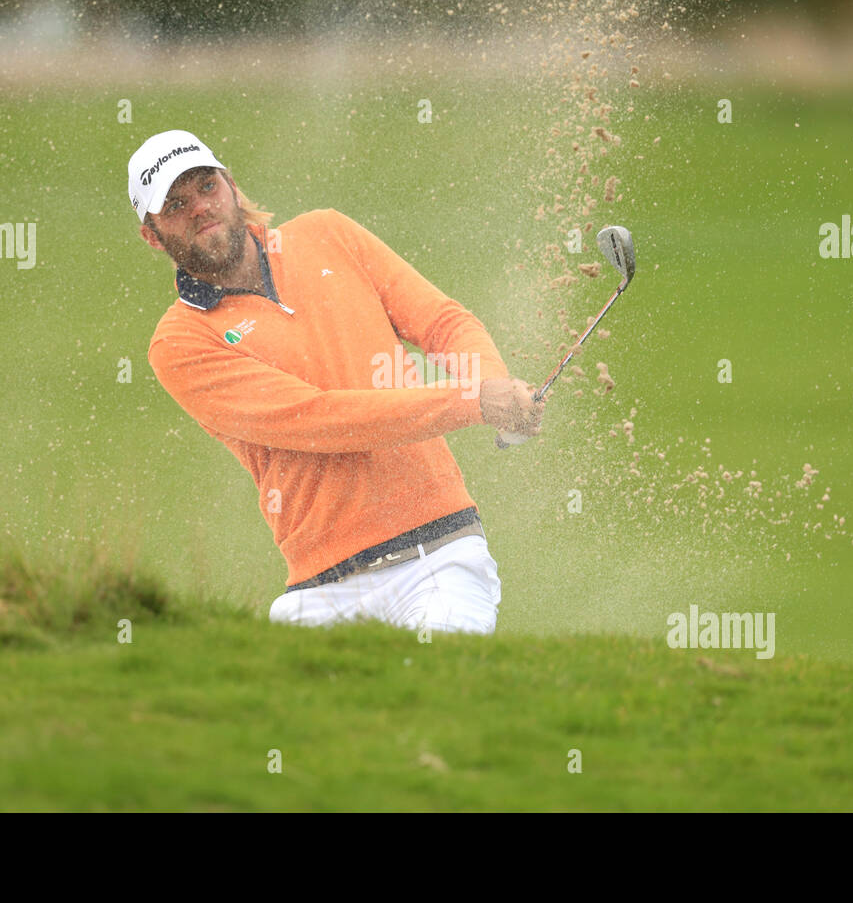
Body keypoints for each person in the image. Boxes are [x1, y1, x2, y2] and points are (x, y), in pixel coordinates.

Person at [129, 129, 543, 635]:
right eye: (175, 203)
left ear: (231, 187)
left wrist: (497, 391)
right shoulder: (180, 342)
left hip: (437, 553)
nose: (199, 207)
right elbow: (320, 419)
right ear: (152, 235)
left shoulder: (328, 233)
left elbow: (442, 323)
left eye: (206, 187)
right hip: (318, 589)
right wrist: (473, 402)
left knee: (434, 698)